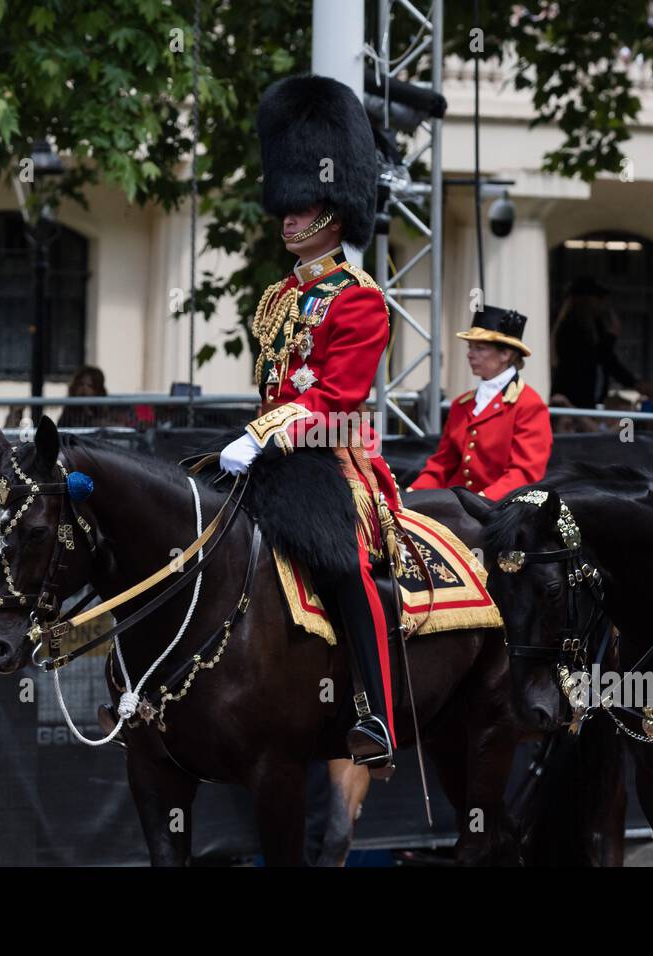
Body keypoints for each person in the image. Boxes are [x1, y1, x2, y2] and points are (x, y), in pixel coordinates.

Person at [216, 74, 401, 778]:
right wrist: (250, 437)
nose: (289, 221)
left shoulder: (359, 301)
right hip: (268, 450)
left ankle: (375, 711)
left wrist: (265, 435)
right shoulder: (275, 297)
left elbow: (335, 397)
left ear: (334, 213)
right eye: (286, 209)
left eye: (303, 210)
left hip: (329, 455)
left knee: (340, 565)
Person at [406, 306, 552, 499]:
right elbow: (442, 464)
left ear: (505, 355)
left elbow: (524, 473)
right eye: (470, 347)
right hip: (457, 509)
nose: (470, 354)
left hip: (501, 512)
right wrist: (411, 496)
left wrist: (480, 503)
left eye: (480, 348)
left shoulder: (528, 404)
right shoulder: (462, 404)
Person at [550, 276, 653, 409]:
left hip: (589, 399)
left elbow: (608, 360)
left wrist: (633, 383)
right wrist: (611, 337)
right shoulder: (570, 327)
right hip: (573, 398)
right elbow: (593, 357)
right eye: (597, 297)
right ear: (584, 300)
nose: (602, 303)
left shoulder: (596, 325)